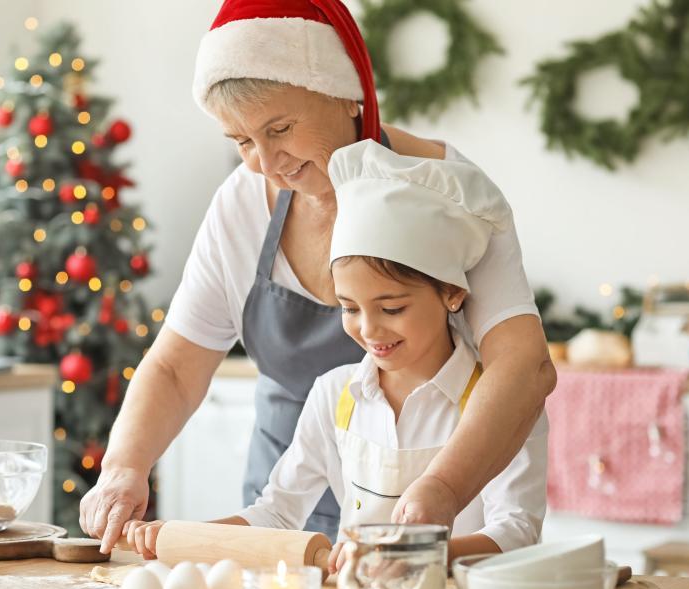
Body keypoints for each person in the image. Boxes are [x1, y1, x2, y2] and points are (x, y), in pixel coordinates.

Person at [79, 0, 555, 552]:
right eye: (240, 141)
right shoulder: (241, 205)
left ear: (345, 94)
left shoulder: (448, 195)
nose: (264, 162)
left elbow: (524, 368)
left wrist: (442, 495)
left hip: (433, 511)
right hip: (282, 510)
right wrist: (123, 466)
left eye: (279, 128)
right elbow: (177, 368)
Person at [119, 139, 548, 570]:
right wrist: (187, 538)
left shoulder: (497, 404)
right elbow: (277, 514)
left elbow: (514, 531)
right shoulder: (333, 395)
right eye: (348, 307)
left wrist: (417, 556)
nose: (368, 329)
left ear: (452, 293)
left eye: (392, 308)